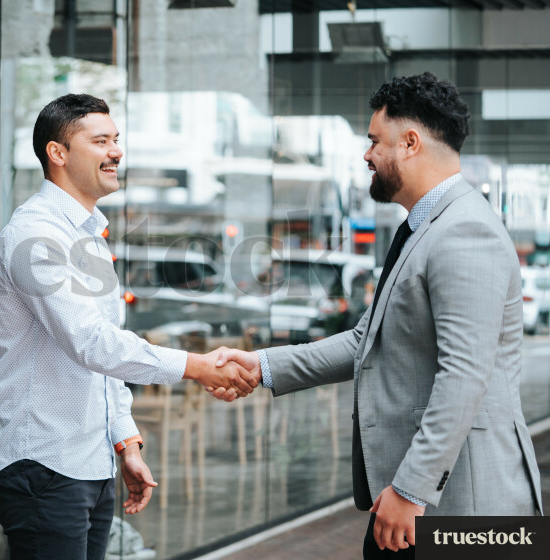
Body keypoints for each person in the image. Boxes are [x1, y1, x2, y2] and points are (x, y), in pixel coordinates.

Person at [214, 73, 543, 558]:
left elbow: (465, 373)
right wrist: (262, 366)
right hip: (426, 499)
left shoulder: (464, 231)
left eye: (374, 141)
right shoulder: (424, 227)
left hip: (465, 505)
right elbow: (364, 341)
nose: (367, 155)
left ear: (410, 143)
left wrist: (412, 489)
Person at [0, 93, 256, 560]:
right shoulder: (35, 237)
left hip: (87, 461)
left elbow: (100, 357)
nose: (116, 151)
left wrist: (125, 440)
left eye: (117, 140)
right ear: (58, 153)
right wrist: (195, 365)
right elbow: (91, 343)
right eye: (101, 140)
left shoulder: (85, 233)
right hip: (42, 459)